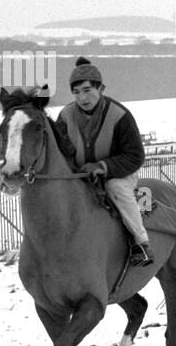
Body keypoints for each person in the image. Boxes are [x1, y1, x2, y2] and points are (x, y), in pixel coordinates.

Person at [58, 56, 153, 267]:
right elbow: (61, 153)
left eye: (87, 90)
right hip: (81, 176)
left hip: (120, 175)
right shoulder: (64, 117)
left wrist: (103, 167)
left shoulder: (120, 115)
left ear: (101, 88)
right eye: (76, 92)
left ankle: (141, 243)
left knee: (115, 187)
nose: (82, 98)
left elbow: (135, 156)